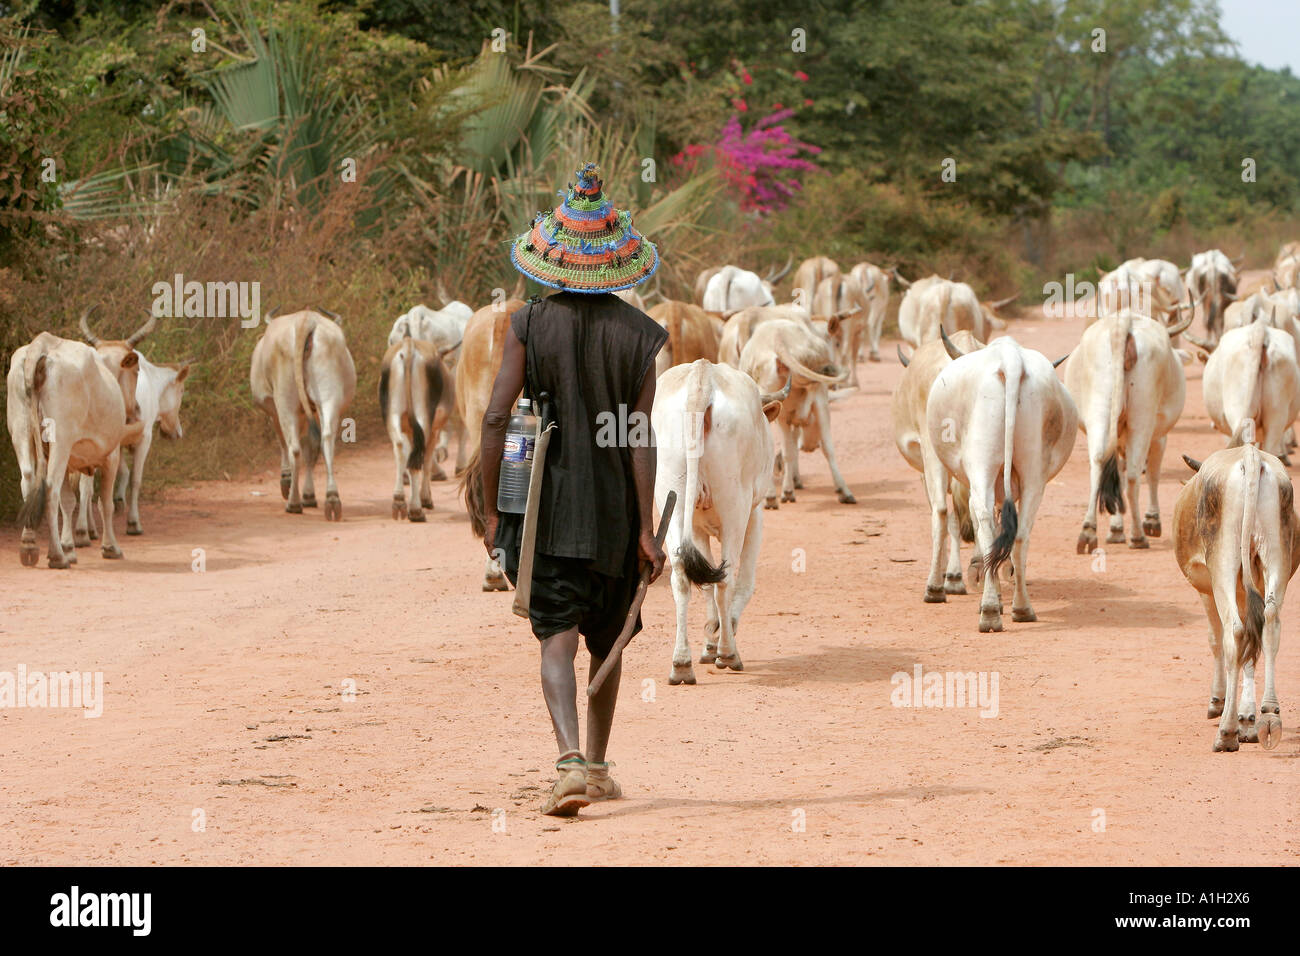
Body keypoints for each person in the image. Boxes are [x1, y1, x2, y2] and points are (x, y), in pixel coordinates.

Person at [478, 162, 667, 816]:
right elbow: (639, 434)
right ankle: (598, 762)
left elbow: (498, 419)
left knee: (554, 637)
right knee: (609, 640)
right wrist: (645, 528)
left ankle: (568, 762)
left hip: (546, 511)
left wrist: (489, 510)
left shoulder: (528, 324)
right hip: (617, 517)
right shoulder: (643, 337)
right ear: (618, 265)